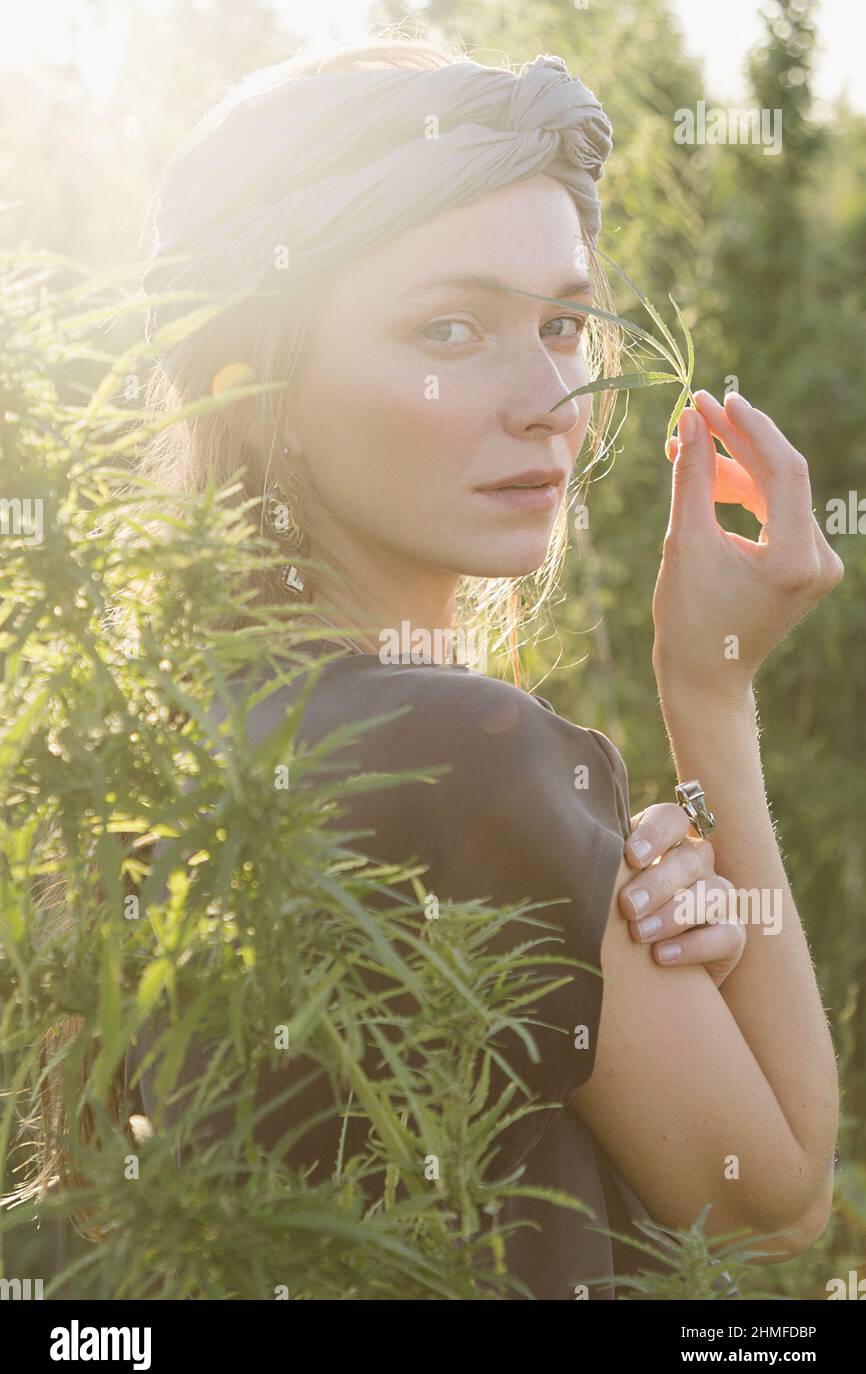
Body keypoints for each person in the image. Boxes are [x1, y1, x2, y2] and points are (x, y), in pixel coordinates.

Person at [55, 30, 853, 1300]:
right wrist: (707, 688)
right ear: (249, 384)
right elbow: (773, 1203)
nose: (548, 393)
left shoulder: (157, 740)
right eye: (448, 325)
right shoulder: (458, 752)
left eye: (561, 323)